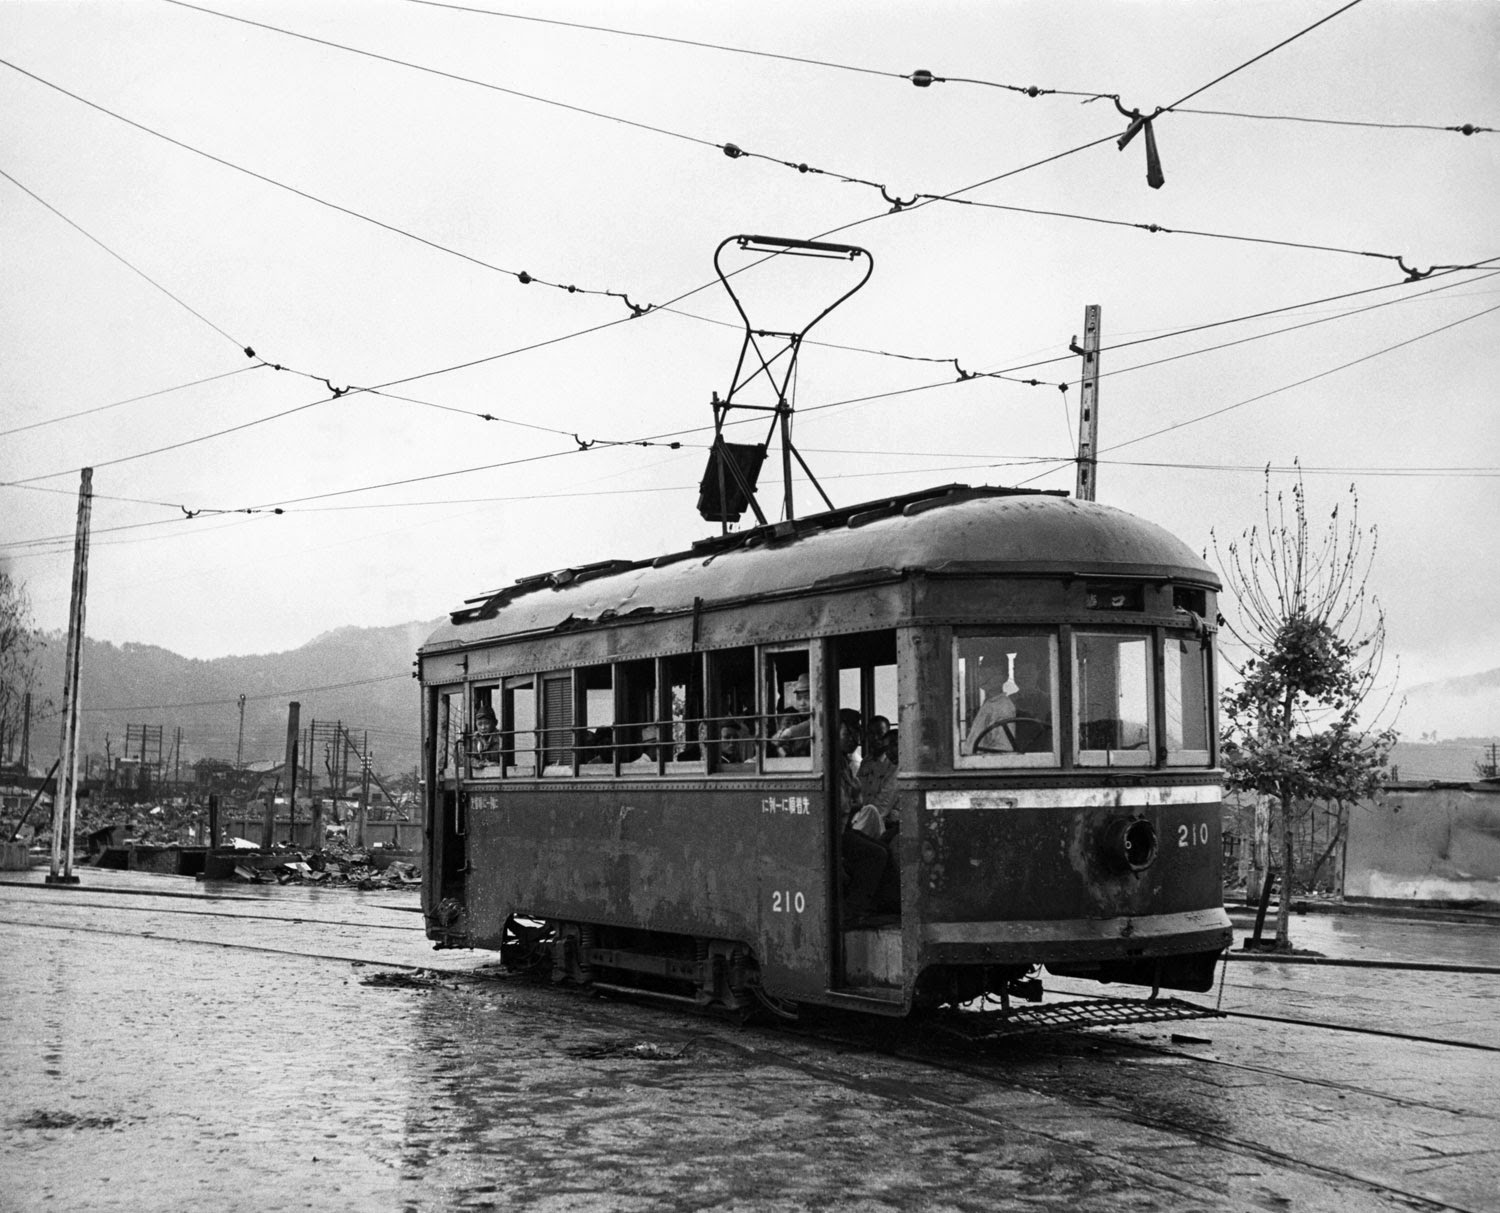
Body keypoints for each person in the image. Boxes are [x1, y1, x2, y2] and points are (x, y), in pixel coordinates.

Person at [771, 674, 812, 757]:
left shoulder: (823, 718)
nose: (802, 703)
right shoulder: (791, 717)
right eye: (799, 698)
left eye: (807, 698)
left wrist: (792, 732)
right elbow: (779, 744)